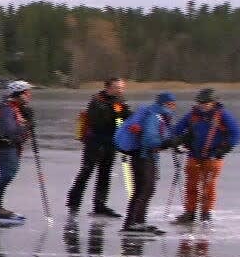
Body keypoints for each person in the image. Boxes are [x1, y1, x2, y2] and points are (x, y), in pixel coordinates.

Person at [115, 90, 181, 235]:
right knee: (143, 190)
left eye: (173, 104)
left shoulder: (160, 116)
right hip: (143, 157)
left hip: (146, 157)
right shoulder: (154, 116)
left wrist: (173, 143)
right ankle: (133, 223)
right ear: (164, 104)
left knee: (145, 190)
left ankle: (138, 222)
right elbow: (149, 140)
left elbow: (161, 137)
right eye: (171, 104)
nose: (173, 107)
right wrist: (167, 143)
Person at [171, 88, 240, 225]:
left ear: (214, 102)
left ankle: (206, 214)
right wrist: (176, 143)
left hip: (213, 156)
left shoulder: (223, 115)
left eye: (206, 103)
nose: (202, 105)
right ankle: (190, 213)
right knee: (191, 185)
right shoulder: (192, 115)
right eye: (200, 102)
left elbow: (235, 134)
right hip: (193, 155)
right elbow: (176, 130)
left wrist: (223, 150)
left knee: (208, 186)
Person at [66, 77, 129, 218]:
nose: (120, 90)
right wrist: (116, 113)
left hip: (111, 142)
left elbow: (123, 118)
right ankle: (73, 203)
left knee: (105, 174)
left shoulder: (119, 101)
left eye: (122, 88)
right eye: (117, 87)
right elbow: (99, 122)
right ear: (108, 88)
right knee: (86, 172)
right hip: (95, 142)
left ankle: (100, 205)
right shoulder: (97, 101)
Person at [0, 80, 33, 223]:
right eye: (26, 93)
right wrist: (26, 126)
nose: (29, 96)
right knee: (7, 175)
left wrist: (26, 122)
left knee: (8, 174)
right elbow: (9, 131)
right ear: (18, 94)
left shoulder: (15, 108)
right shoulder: (8, 109)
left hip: (12, 146)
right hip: (7, 147)